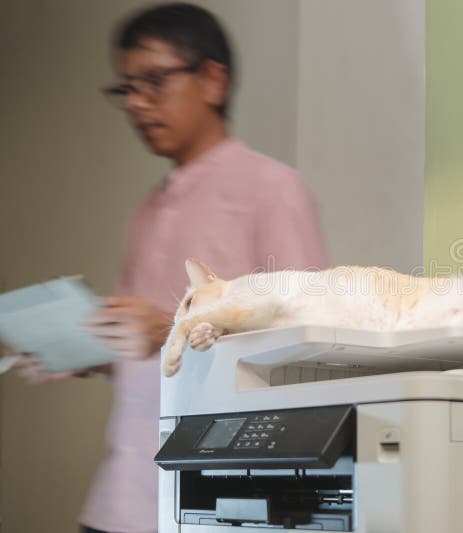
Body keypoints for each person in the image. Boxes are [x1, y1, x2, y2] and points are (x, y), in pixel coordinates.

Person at [17, 3, 327, 532]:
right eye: (126, 89)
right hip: (123, 491)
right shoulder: (149, 209)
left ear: (212, 80)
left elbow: (310, 339)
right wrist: (83, 348)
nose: (137, 103)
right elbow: (147, 349)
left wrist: (169, 326)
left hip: (218, 495)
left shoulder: (271, 189)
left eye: (154, 81)